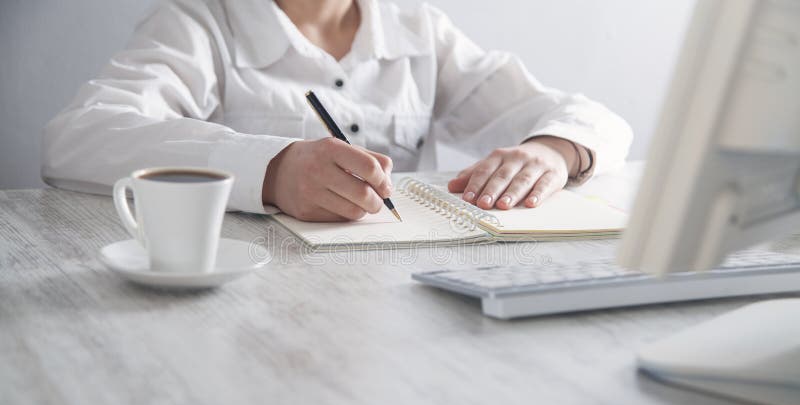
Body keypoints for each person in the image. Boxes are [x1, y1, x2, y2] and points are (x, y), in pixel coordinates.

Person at [43, 0, 633, 222]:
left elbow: (595, 119)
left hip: (394, 305)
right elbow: (77, 138)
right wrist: (271, 171)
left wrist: (553, 149)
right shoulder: (200, 22)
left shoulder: (419, 29)